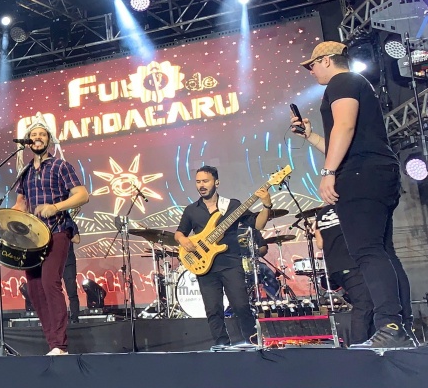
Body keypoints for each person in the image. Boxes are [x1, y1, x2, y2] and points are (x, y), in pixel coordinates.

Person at [294, 40, 413, 348]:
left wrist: (328, 173)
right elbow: (343, 140)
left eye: (312, 65)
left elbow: (344, 127)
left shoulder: (341, 81)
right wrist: (310, 136)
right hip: (376, 172)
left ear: (327, 61)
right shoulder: (355, 82)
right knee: (383, 252)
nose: (311, 71)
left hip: (361, 176)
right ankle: (401, 326)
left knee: (368, 252)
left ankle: (390, 324)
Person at [11, 113, 91, 356]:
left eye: (41, 135)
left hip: (57, 230)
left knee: (49, 283)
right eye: (33, 136)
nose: (37, 139)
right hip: (32, 239)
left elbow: (82, 195)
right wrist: (3, 217)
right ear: (27, 142)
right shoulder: (24, 172)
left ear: (49, 140)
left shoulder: (60, 165)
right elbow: (21, 204)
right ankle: (52, 343)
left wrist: (55, 207)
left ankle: (60, 345)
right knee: (34, 288)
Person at [175, 165, 271, 348]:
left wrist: (267, 204)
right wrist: (183, 240)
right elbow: (179, 233)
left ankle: (252, 342)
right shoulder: (191, 210)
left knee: (241, 305)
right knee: (213, 310)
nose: (201, 185)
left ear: (216, 182)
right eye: (198, 182)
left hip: (231, 263)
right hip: (204, 266)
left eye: (205, 181)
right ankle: (221, 346)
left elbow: (258, 225)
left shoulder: (232, 206)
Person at [310, 207, 375, 345]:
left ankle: (369, 342)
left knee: (366, 303)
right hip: (350, 263)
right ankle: (359, 347)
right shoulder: (349, 205)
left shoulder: (321, 214)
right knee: (364, 304)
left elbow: (320, 244)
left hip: (335, 267)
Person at [64, 232, 81, 324]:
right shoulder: (49, 223)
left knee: (72, 291)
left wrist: (64, 233)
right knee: (54, 292)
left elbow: (77, 239)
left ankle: (75, 317)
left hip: (68, 262)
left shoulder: (69, 224)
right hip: (54, 262)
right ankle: (58, 317)